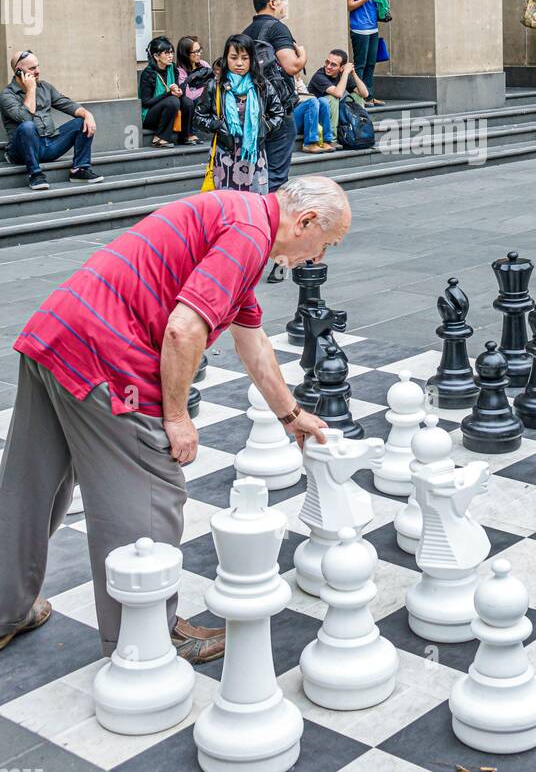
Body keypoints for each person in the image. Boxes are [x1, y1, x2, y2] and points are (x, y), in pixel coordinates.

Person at [0, 177, 350, 662]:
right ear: (306, 221)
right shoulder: (249, 236)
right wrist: (177, 416)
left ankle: (4, 609)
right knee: (151, 489)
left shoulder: (241, 216)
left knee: (31, 485)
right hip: (107, 354)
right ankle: (144, 639)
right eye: (326, 245)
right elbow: (184, 329)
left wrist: (290, 415)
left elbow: (253, 343)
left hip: (57, 330)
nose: (318, 259)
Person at [242, 0, 307, 280]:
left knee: (258, 177)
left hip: (253, 115)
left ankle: (253, 244)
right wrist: (302, 54)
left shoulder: (246, 32)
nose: (284, 3)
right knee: (278, 180)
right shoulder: (277, 29)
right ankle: (277, 250)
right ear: (271, 2)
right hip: (278, 114)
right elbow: (291, 66)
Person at [0, 51, 103, 191]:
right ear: (18, 71)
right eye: (32, 69)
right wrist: (31, 89)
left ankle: (80, 170)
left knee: (81, 121)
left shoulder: (45, 88)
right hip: (21, 152)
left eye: (38, 66)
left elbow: (68, 104)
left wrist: (87, 114)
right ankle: (35, 175)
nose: (38, 71)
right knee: (28, 126)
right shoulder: (7, 95)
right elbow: (25, 117)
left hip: (49, 145)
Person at [194, 34, 284, 193]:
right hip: (225, 154)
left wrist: (265, 126)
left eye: (245, 58)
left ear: (252, 59)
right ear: (226, 58)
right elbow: (198, 117)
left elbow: (278, 113)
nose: (239, 63)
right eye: (233, 57)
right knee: (226, 205)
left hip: (254, 155)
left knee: (253, 205)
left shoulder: (262, 85)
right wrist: (216, 125)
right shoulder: (215, 86)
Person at [347, 0, 388, 105]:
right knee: (360, 64)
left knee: (371, 63)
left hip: (372, 28)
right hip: (359, 29)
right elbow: (350, 6)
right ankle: (359, 97)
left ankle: (369, 96)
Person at [139, 36, 196, 147]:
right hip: (149, 115)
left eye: (171, 53)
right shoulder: (148, 74)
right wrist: (169, 94)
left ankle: (185, 135)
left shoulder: (172, 68)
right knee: (172, 101)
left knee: (187, 102)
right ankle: (160, 138)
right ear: (156, 56)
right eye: (166, 53)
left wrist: (179, 91)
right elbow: (145, 102)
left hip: (169, 108)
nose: (171, 56)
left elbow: (175, 89)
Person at [309, 49, 369, 140]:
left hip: (335, 114)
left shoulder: (343, 75)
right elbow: (338, 93)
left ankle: (359, 131)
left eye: (333, 65)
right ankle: (332, 138)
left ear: (341, 68)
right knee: (332, 98)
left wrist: (353, 73)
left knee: (357, 96)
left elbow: (365, 94)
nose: (328, 66)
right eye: (327, 62)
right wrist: (345, 72)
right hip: (317, 118)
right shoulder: (319, 76)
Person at [176, 35, 211, 140]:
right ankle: (189, 132)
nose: (198, 54)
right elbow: (188, 95)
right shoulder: (180, 71)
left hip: (206, 99)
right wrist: (205, 89)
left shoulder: (203, 65)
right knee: (189, 102)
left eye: (199, 50)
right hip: (191, 102)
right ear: (185, 54)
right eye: (195, 52)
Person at [292, 73, 336, 155]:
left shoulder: (294, 76)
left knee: (323, 101)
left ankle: (326, 140)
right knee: (312, 101)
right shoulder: (280, 75)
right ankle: (309, 143)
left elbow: (305, 94)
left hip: (301, 114)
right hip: (289, 119)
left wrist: (298, 79)